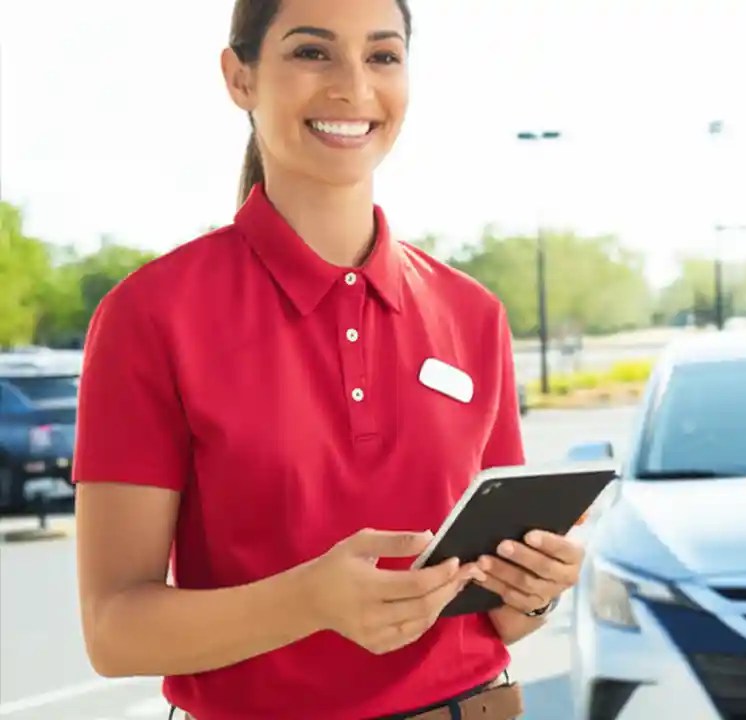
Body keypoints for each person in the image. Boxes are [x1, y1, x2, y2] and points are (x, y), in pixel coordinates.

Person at [71, 0, 583, 717]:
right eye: (312, 52)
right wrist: (308, 602)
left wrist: (534, 590)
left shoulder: (473, 314)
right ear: (240, 78)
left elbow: (498, 620)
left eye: (382, 56)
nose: (353, 86)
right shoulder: (151, 315)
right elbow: (113, 632)